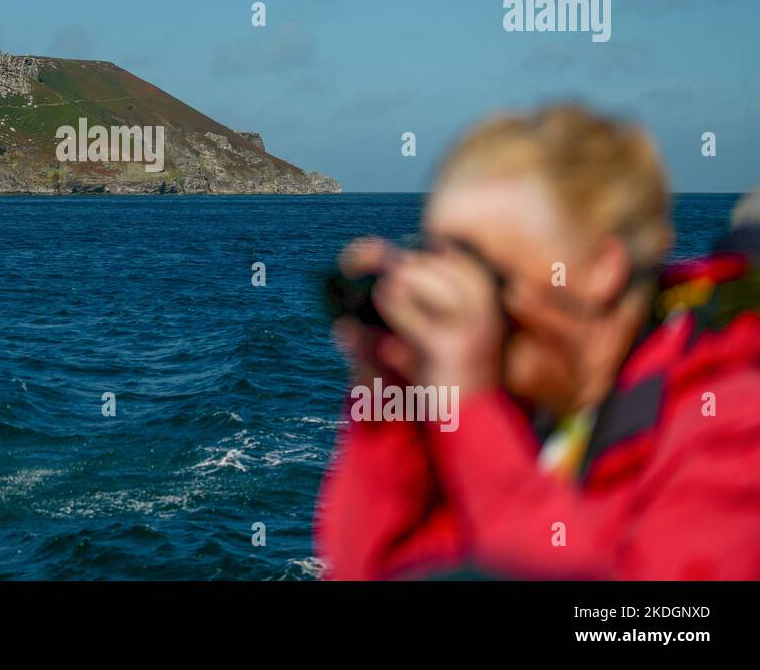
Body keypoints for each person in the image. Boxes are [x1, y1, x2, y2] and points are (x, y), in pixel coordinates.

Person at [315, 104, 760, 580]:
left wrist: (469, 405)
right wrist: (392, 391)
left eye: (483, 270)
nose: (467, 300)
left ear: (597, 270)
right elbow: (377, 569)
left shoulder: (733, 420)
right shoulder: (534, 407)